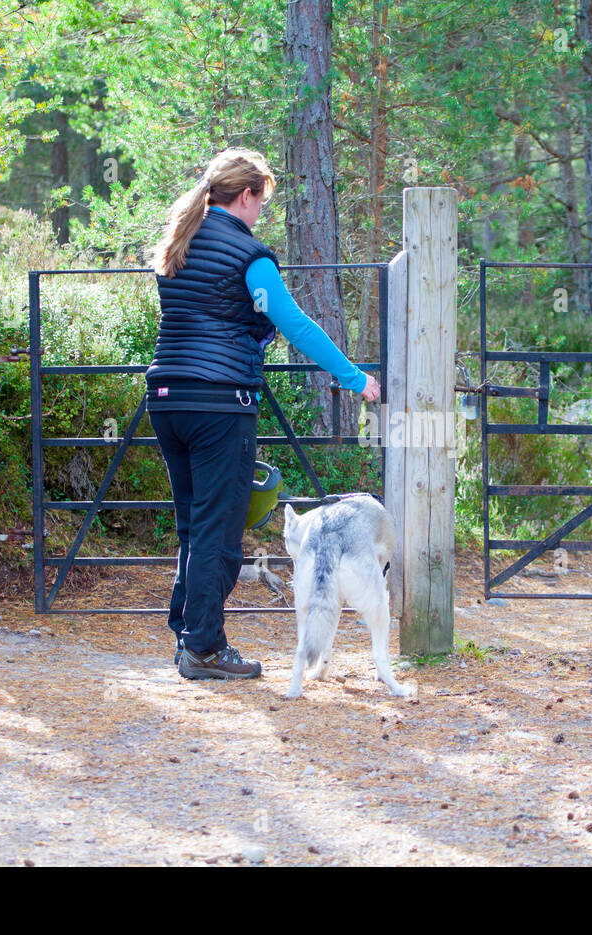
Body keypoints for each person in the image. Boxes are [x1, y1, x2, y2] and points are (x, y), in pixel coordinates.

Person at [146, 147, 380, 681]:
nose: (260, 216)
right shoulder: (249, 256)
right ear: (245, 196)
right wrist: (354, 378)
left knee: (191, 526)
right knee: (219, 531)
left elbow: (210, 315)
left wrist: (253, 329)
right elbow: (295, 325)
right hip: (219, 404)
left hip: (167, 398)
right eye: (260, 204)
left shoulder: (178, 245)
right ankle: (204, 649)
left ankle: (189, 636)